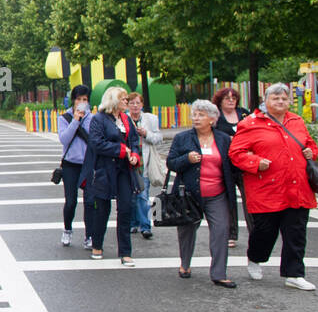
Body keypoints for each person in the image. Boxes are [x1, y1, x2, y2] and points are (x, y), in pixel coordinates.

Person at [228, 83, 318, 291]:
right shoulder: (251, 123)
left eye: (284, 98)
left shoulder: (296, 121)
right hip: (266, 189)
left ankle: (294, 273)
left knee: (296, 233)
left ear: (289, 101)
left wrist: (310, 152)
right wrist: (255, 163)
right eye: (275, 98)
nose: (280, 102)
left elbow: (310, 145)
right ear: (266, 100)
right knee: (265, 231)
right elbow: (236, 153)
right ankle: (255, 258)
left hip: (297, 188)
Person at [165, 100, 237, 287]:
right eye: (194, 114)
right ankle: (185, 264)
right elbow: (171, 163)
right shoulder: (182, 138)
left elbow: (231, 165)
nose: (196, 118)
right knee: (187, 231)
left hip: (217, 194)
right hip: (189, 194)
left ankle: (219, 273)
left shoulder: (223, 138)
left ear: (212, 119)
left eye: (201, 115)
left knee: (221, 231)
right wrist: (187, 159)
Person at [87, 85, 142, 265]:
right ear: (113, 100)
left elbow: (134, 141)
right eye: (123, 99)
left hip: (124, 170)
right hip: (105, 169)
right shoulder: (99, 119)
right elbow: (96, 143)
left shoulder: (126, 119)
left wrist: (134, 154)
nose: (126, 102)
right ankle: (97, 244)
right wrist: (120, 150)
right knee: (102, 209)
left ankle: (125, 252)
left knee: (126, 208)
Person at [212, 86, 251, 247]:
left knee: (249, 199)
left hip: (245, 163)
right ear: (220, 101)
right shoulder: (215, 116)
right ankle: (231, 234)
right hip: (225, 163)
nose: (230, 101)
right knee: (228, 200)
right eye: (227, 98)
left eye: (233, 98)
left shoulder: (244, 114)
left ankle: (254, 231)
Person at [57, 84, 94, 248]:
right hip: (70, 165)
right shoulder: (64, 118)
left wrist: (84, 119)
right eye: (78, 99)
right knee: (71, 201)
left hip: (87, 164)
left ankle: (90, 235)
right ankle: (67, 229)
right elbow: (64, 139)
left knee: (90, 201)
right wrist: (75, 120)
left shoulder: (93, 119)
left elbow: (94, 140)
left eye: (84, 99)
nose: (81, 102)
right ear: (73, 100)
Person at [126, 92, 163, 240]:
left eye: (137, 103)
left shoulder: (150, 119)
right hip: (129, 162)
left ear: (142, 105)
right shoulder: (123, 119)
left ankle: (145, 226)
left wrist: (146, 133)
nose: (135, 106)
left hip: (144, 163)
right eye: (132, 103)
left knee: (143, 195)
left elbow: (158, 138)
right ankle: (133, 222)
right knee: (132, 196)